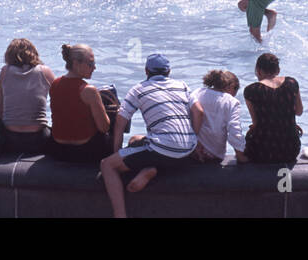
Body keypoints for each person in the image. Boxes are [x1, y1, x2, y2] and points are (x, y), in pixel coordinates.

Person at [100, 54, 196, 218]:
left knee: (107, 165)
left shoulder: (138, 89)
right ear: (169, 71)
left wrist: (115, 153)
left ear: (146, 71)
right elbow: (199, 111)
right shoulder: (182, 85)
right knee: (135, 140)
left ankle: (120, 214)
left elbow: (120, 123)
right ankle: (150, 169)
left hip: (162, 149)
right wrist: (196, 139)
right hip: (188, 151)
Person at [44, 43, 112, 163]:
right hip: (85, 152)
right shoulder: (89, 91)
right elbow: (104, 127)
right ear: (76, 64)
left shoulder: (55, 84)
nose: (94, 67)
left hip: (58, 150)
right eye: (90, 64)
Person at [241, 52, 303, 163]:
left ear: (258, 71)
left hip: (262, 150)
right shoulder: (292, 83)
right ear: (278, 70)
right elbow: (299, 111)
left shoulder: (251, 90)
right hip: (290, 149)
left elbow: (256, 122)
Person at [0, 38, 55, 155]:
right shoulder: (45, 71)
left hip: (10, 136)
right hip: (38, 137)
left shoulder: (4, 71)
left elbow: (0, 108)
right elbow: (60, 100)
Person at [189, 70, 247, 164]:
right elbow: (234, 132)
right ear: (230, 87)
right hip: (214, 155)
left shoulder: (197, 92)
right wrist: (240, 155)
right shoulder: (231, 102)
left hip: (192, 150)